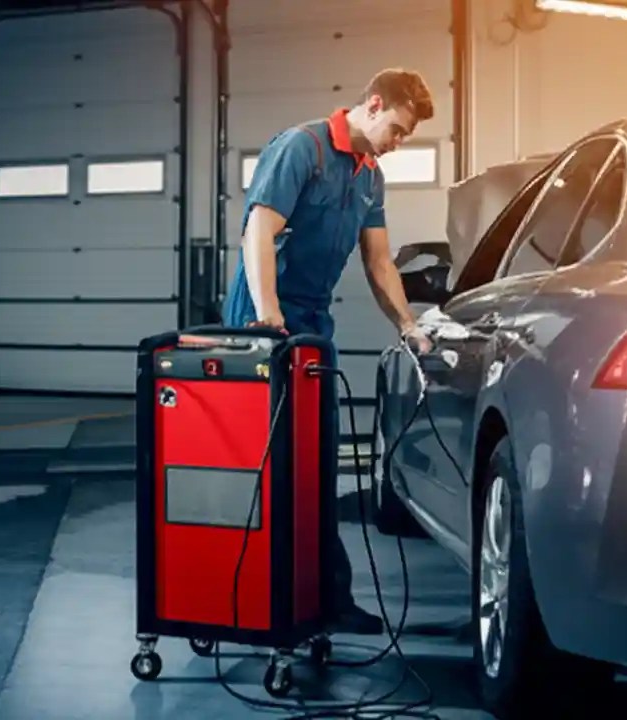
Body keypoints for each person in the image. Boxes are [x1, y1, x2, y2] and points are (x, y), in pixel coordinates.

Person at [222, 68, 435, 635]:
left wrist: (409, 325)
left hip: (314, 321)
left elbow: (379, 261)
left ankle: (326, 599)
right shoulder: (304, 148)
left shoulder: (370, 176)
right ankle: (245, 591)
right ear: (372, 105)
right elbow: (257, 231)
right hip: (261, 316)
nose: (398, 141)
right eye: (397, 128)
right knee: (264, 462)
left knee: (318, 460)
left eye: (407, 135)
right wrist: (267, 315)